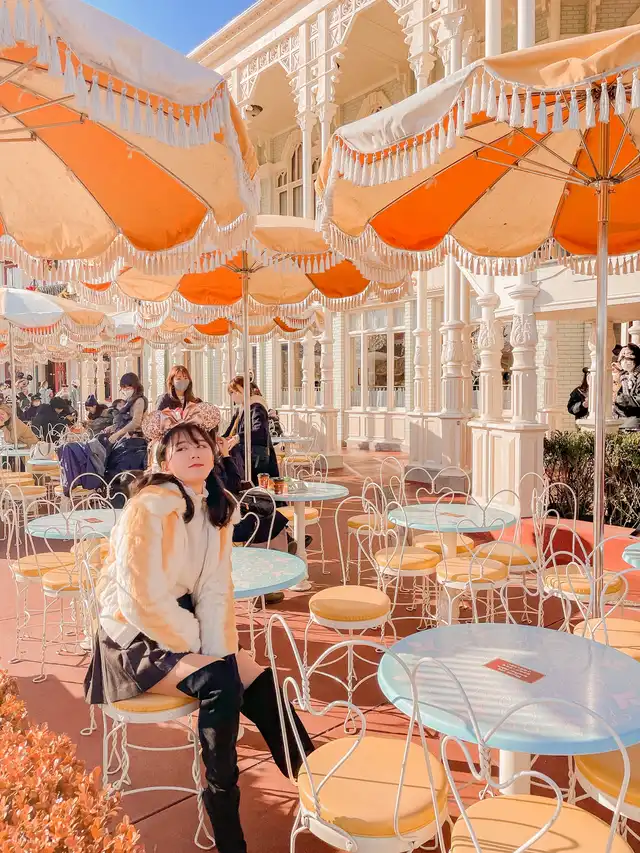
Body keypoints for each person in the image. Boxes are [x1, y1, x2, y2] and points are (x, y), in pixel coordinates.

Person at [84, 405, 313, 852]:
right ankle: (225, 820)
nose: (194, 453)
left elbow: (214, 590)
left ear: (214, 451)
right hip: (132, 638)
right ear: (163, 460)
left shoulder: (216, 506)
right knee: (221, 680)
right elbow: (138, 598)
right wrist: (201, 648)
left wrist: (218, 647)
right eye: (181, 447)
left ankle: (315, 779)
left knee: (257, 678)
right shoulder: (149, 507)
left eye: (201, 444)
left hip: (177, 624)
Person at [224, 376, 279, 484]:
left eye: (235, 391)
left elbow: (259, 431)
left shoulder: (256, 407)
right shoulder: (241, 410)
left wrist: (238, 437)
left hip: (256, 460)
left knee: (257, 488)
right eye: (231, 393)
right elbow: (229, 432)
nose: (233, 395)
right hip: (246, 458)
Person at [102, 373, 148, 444]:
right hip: (127, 436)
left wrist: (118, 434)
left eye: (128, 388)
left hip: (137, 438)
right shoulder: (129, 400)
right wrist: (112, 427)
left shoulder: (139, 400)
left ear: (135, 387)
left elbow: (136, 423)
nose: (126, 390)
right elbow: (125, 421)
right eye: (124, 388)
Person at [615, 343, 640, 429]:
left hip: (635, 423)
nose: (625, 361)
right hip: (621, 421)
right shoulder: (623, 376)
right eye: (622, 358)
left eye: (628, 358)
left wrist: (620, 399)